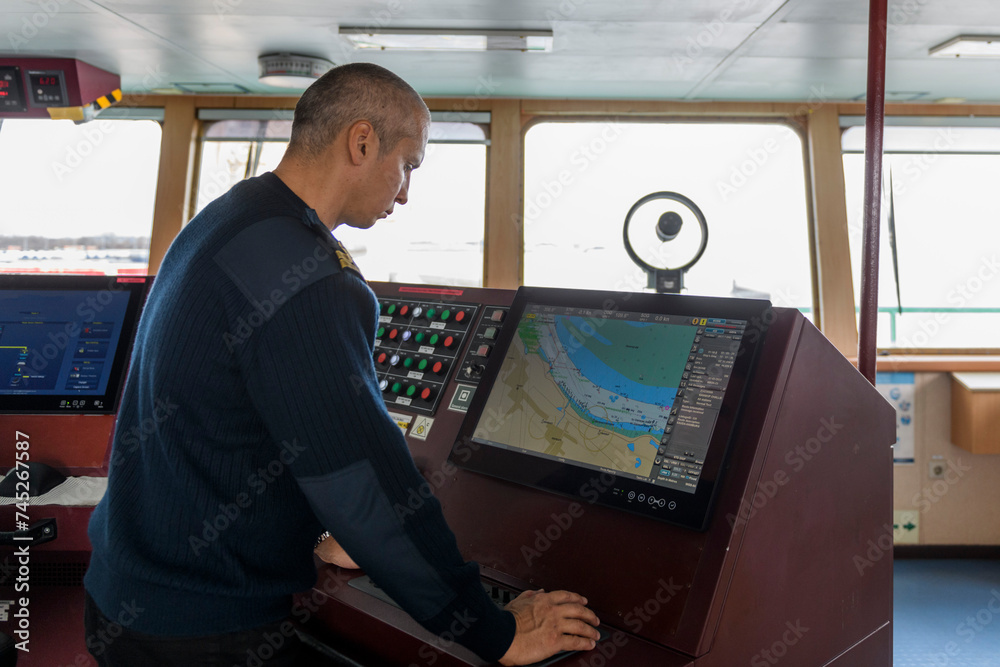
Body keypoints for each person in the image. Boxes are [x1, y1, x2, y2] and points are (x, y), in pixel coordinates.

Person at [83, 62, 600, 666]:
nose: (405, 192)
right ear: (361, 141)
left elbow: (225, 426)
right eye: (408, 164)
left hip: (124, 596)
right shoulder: (309, 281)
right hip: (202, 633)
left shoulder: (226, 219)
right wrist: (494, 631)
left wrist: (314, 535)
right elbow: (362, 483)